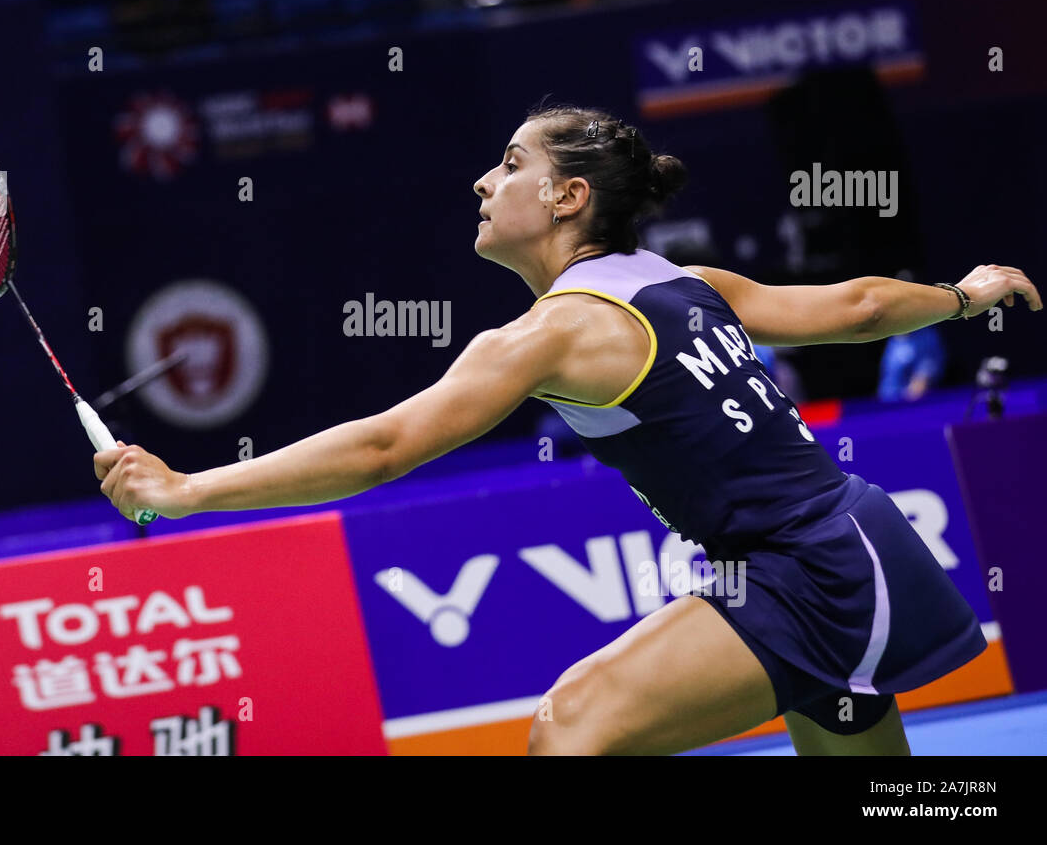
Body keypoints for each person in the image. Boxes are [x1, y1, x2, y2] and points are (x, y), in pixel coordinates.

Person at [94, 104, 1042, 755]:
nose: (482, 182)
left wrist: (189, 492)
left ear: (567, 197)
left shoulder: (551, 333)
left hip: (810, 570)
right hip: (842, 541)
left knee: (572, 725)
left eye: (511, 166)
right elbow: (861, 304)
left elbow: (384, 448)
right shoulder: (678, 280)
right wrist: (962, 297)